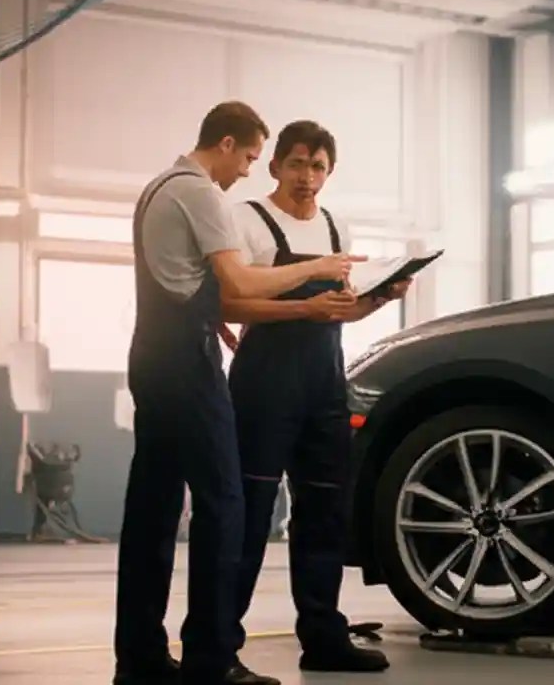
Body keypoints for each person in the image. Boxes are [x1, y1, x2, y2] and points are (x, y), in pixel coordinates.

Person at [113, 102, 364, 685]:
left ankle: (142, 657)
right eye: (253, 157)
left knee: (151, 512)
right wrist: (315, 272)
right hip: (187, 363)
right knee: (227, 506)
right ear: (227, 144)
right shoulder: (200, 192)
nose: (246, 170)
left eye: (317, 165)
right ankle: (212, 659)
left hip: (156, 354)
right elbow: (241, 282)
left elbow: (184, 280)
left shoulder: (157, 187)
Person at [221, 120, 405, 677]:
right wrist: (306, 300)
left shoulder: (334, 228)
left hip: (325, 383)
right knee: (248, 516)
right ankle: (220, 647)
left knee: (325, 512)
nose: (307, 176)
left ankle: (324, 637)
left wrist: (380, 297)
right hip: (263, 385)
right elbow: (229, 302)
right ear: (275, 165)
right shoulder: (246, 220)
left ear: (330, 172)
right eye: (297, 163)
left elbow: (341, 310)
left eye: (318, 166)